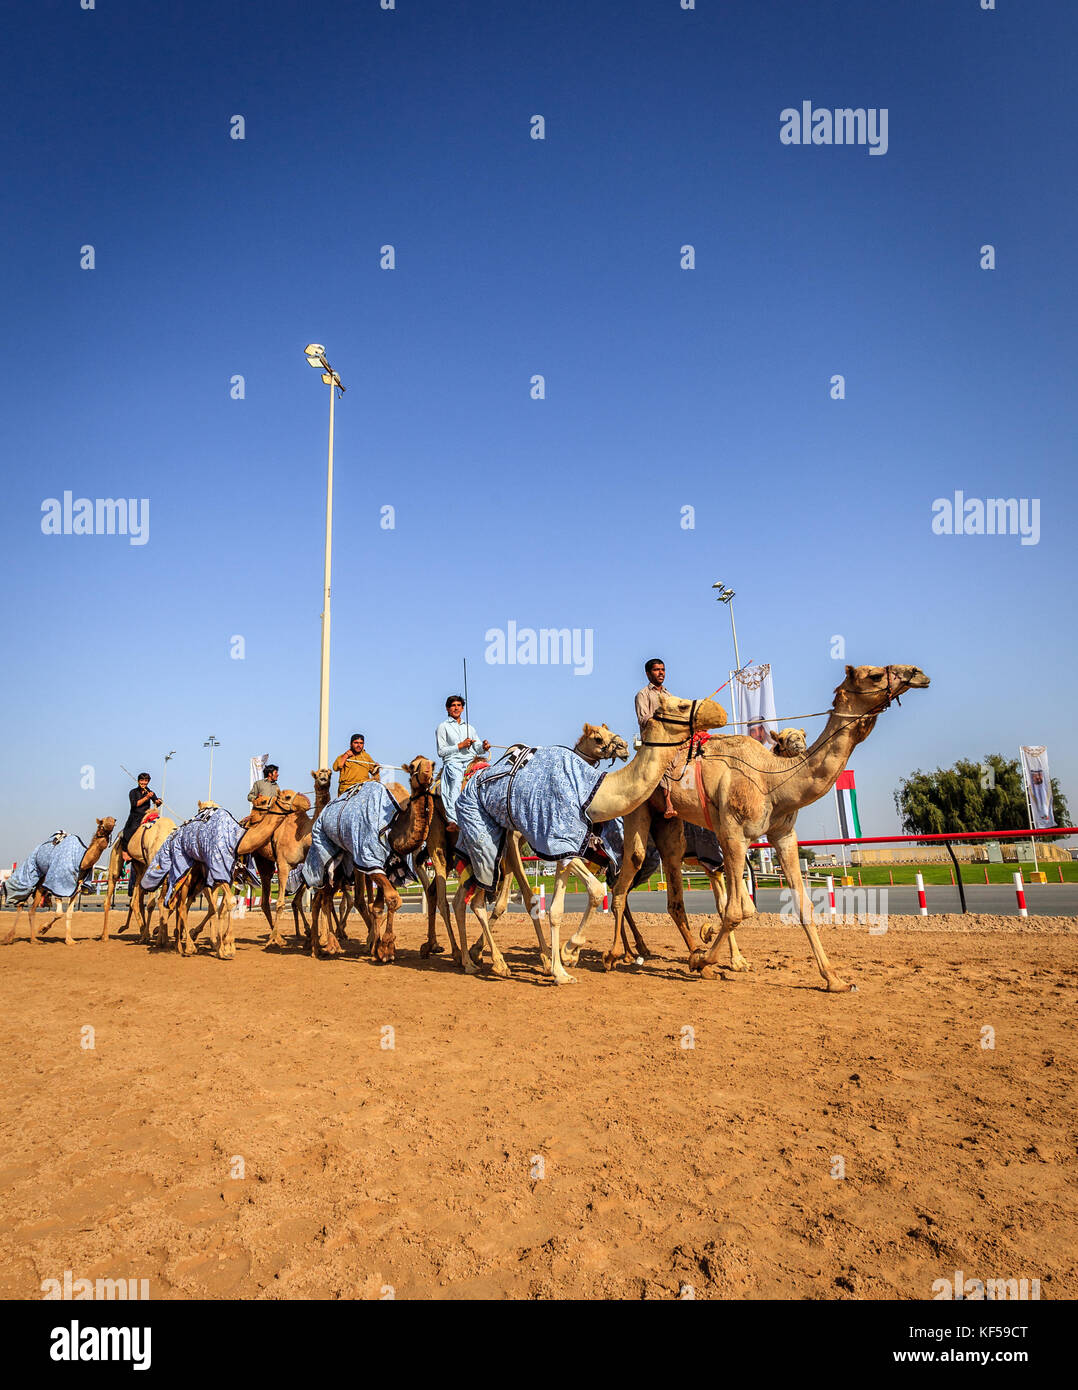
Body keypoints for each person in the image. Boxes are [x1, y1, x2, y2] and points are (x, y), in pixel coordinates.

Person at [436, 695, 490, 832]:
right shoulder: (443, 727)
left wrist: (484, 747)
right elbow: (441, 751)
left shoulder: (470, 728)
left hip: (470, 761)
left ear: (462, 708)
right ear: (447, 708)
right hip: (453, 762)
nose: (456, 708)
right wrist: (460, 746)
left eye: (458, 705)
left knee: (488, 775)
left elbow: (476, 747)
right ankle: (454, 819)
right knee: (455, 782)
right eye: (453, 705)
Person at [635, 657, 677, 819]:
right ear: (648, 673)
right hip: (654, 740)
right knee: (665, 761)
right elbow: (643, 719)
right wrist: (661, 715)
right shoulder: (642, 695)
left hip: (672, 737)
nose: (661, 673)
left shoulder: (669, 695)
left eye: (663, 669)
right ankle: (668, 803)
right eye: (657, 670)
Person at [120, 773, 162, 861]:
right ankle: (124, 851)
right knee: (128, 831)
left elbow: (156, 802)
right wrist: (147, 797)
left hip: (147, 815)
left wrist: (158, 802)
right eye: (142, 780)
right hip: (135, 816)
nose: (143, 783)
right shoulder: (133, 792)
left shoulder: (150, 792)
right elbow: (135, 804)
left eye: (146, 781)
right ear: (138, 781)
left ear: (148, 782)